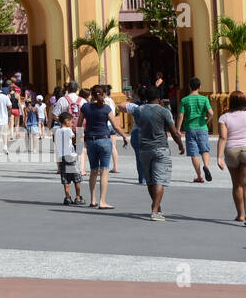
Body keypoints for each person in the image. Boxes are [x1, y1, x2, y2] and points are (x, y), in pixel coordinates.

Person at [134, 84, 185, 222]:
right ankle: (155, 210)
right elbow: (174, 131)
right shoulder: (164, 111)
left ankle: (156, 206)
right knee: (160, 180)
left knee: (150, 180)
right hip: (160, 148)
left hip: (144, 148)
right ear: (158, 97)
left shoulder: (139, 110)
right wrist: (180, 145)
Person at [217, 92, 246, 227]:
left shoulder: (224, 117)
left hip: (231, 151)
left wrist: (219, 157)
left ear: (230, 102)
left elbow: (223, 137)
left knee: (236, 184)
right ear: (245, 102)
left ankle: (240, 214)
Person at [79, 86, 125, 209]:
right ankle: (102, 201)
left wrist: (77, 141)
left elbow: (79, 125)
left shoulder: (85, 107)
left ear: (91, 95)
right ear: (103, 94)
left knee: (93, 171)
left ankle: (93, 200)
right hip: (104, 140)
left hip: (91, 142)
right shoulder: (106, 108)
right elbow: (115, 126)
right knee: (104, 172)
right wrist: (125, 137)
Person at [176, 77, 214, 183]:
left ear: (189, 87)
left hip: (190, 129)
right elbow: (211, 113)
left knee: (194, 153)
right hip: (202, 128)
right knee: (205, 150)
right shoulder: (204, 99)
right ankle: (206, 166)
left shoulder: (184, 100)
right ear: (200, 86)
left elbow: (180, 116)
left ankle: (199, 176)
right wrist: (207, 121)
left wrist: (178, 129)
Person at [54, 112, 81, 205]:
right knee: (76, 178)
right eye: (71, 122)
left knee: (65, 179)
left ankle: (67, 197)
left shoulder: (57, 131)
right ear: (66, 121)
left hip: (62, 157)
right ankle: (78, 197)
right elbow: (75, 139)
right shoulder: (68, 130)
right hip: (71, 156)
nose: (72, 124)